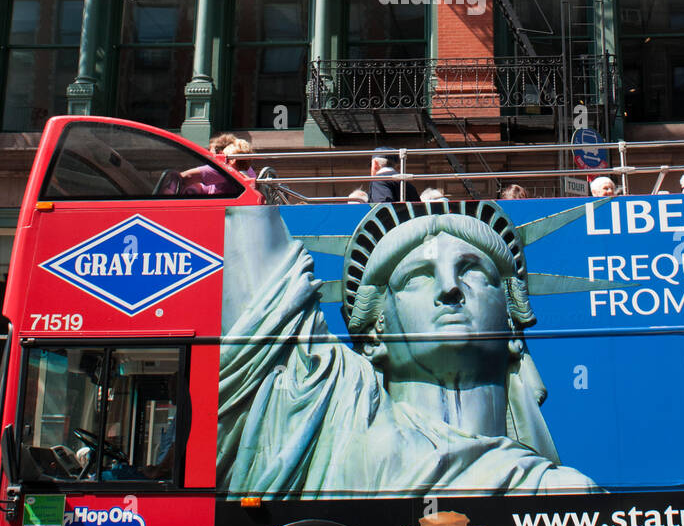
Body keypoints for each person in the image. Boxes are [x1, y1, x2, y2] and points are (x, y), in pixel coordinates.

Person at [218, 199, 601, 496]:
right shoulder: (326, 416)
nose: (450, 288)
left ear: (512, 322)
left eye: (473, 271)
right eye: (417, 277)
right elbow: (255, 277)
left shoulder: (564, 492)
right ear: (374, 334)